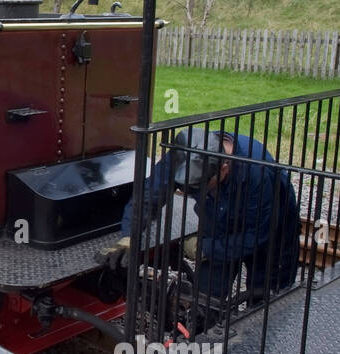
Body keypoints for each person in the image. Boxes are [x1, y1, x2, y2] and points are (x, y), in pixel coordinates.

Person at [105, 126, 300, 313]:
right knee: (204, 302)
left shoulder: (257, 172)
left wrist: (205, 249)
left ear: (224, 168)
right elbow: (149, 195)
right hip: (218, 225)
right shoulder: (184, 153)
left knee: (266, 305)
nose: (195, 192)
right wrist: (130, 234)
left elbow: (257, 235)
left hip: (270, 234)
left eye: (201, 186)